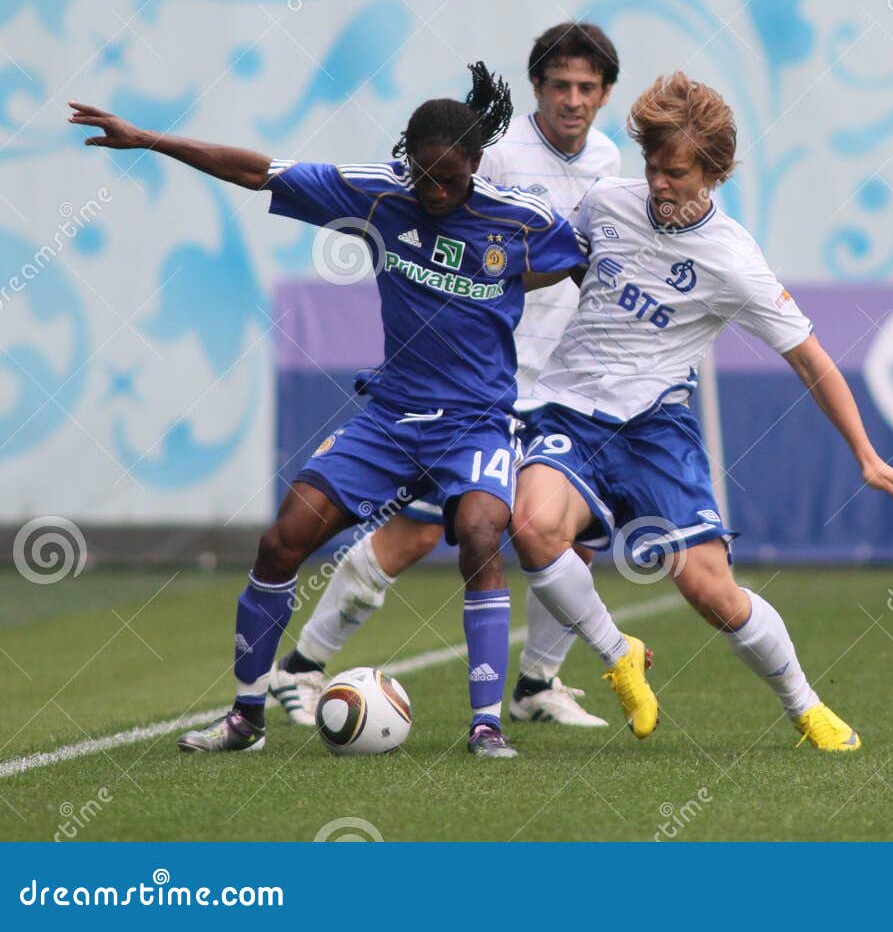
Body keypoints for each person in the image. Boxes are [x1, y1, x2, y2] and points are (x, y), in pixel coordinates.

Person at [69, 63, 589, 759]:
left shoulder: (517, 219)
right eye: (425, 175)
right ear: (410, 158)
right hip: (390, 419)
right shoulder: (378, 194)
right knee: (281, 541)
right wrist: (149, 140)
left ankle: (486, 725)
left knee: (480, 534)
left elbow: (587, 256)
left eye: (450, 179)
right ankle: (246, 717)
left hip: (476, 424)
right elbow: (260, 172)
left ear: (474, 164)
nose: (435, 192)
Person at [512, 73, 893, 750]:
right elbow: (543, 266)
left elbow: (812, 361)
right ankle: (618, 654)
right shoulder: (607, 203)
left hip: (653, 429)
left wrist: (867, 454)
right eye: (652, 167)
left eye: (676, 173)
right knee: (531, 526)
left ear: (714, 172)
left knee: (711, 592)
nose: (660, 184)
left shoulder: (734, 261)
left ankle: (805, 707)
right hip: (567, 411)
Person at [268, 23, 623, 730]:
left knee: (567, 533)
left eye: (587, 87)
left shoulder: (608, 161)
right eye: (561, 85)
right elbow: (440, 224)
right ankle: (300, 669)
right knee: (417, 534)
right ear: (537, 88)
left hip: (561, 380)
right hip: (476, 388)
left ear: (606, 93)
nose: (573, 100)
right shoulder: (493, 158)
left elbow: (579, 257)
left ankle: (536, 684)